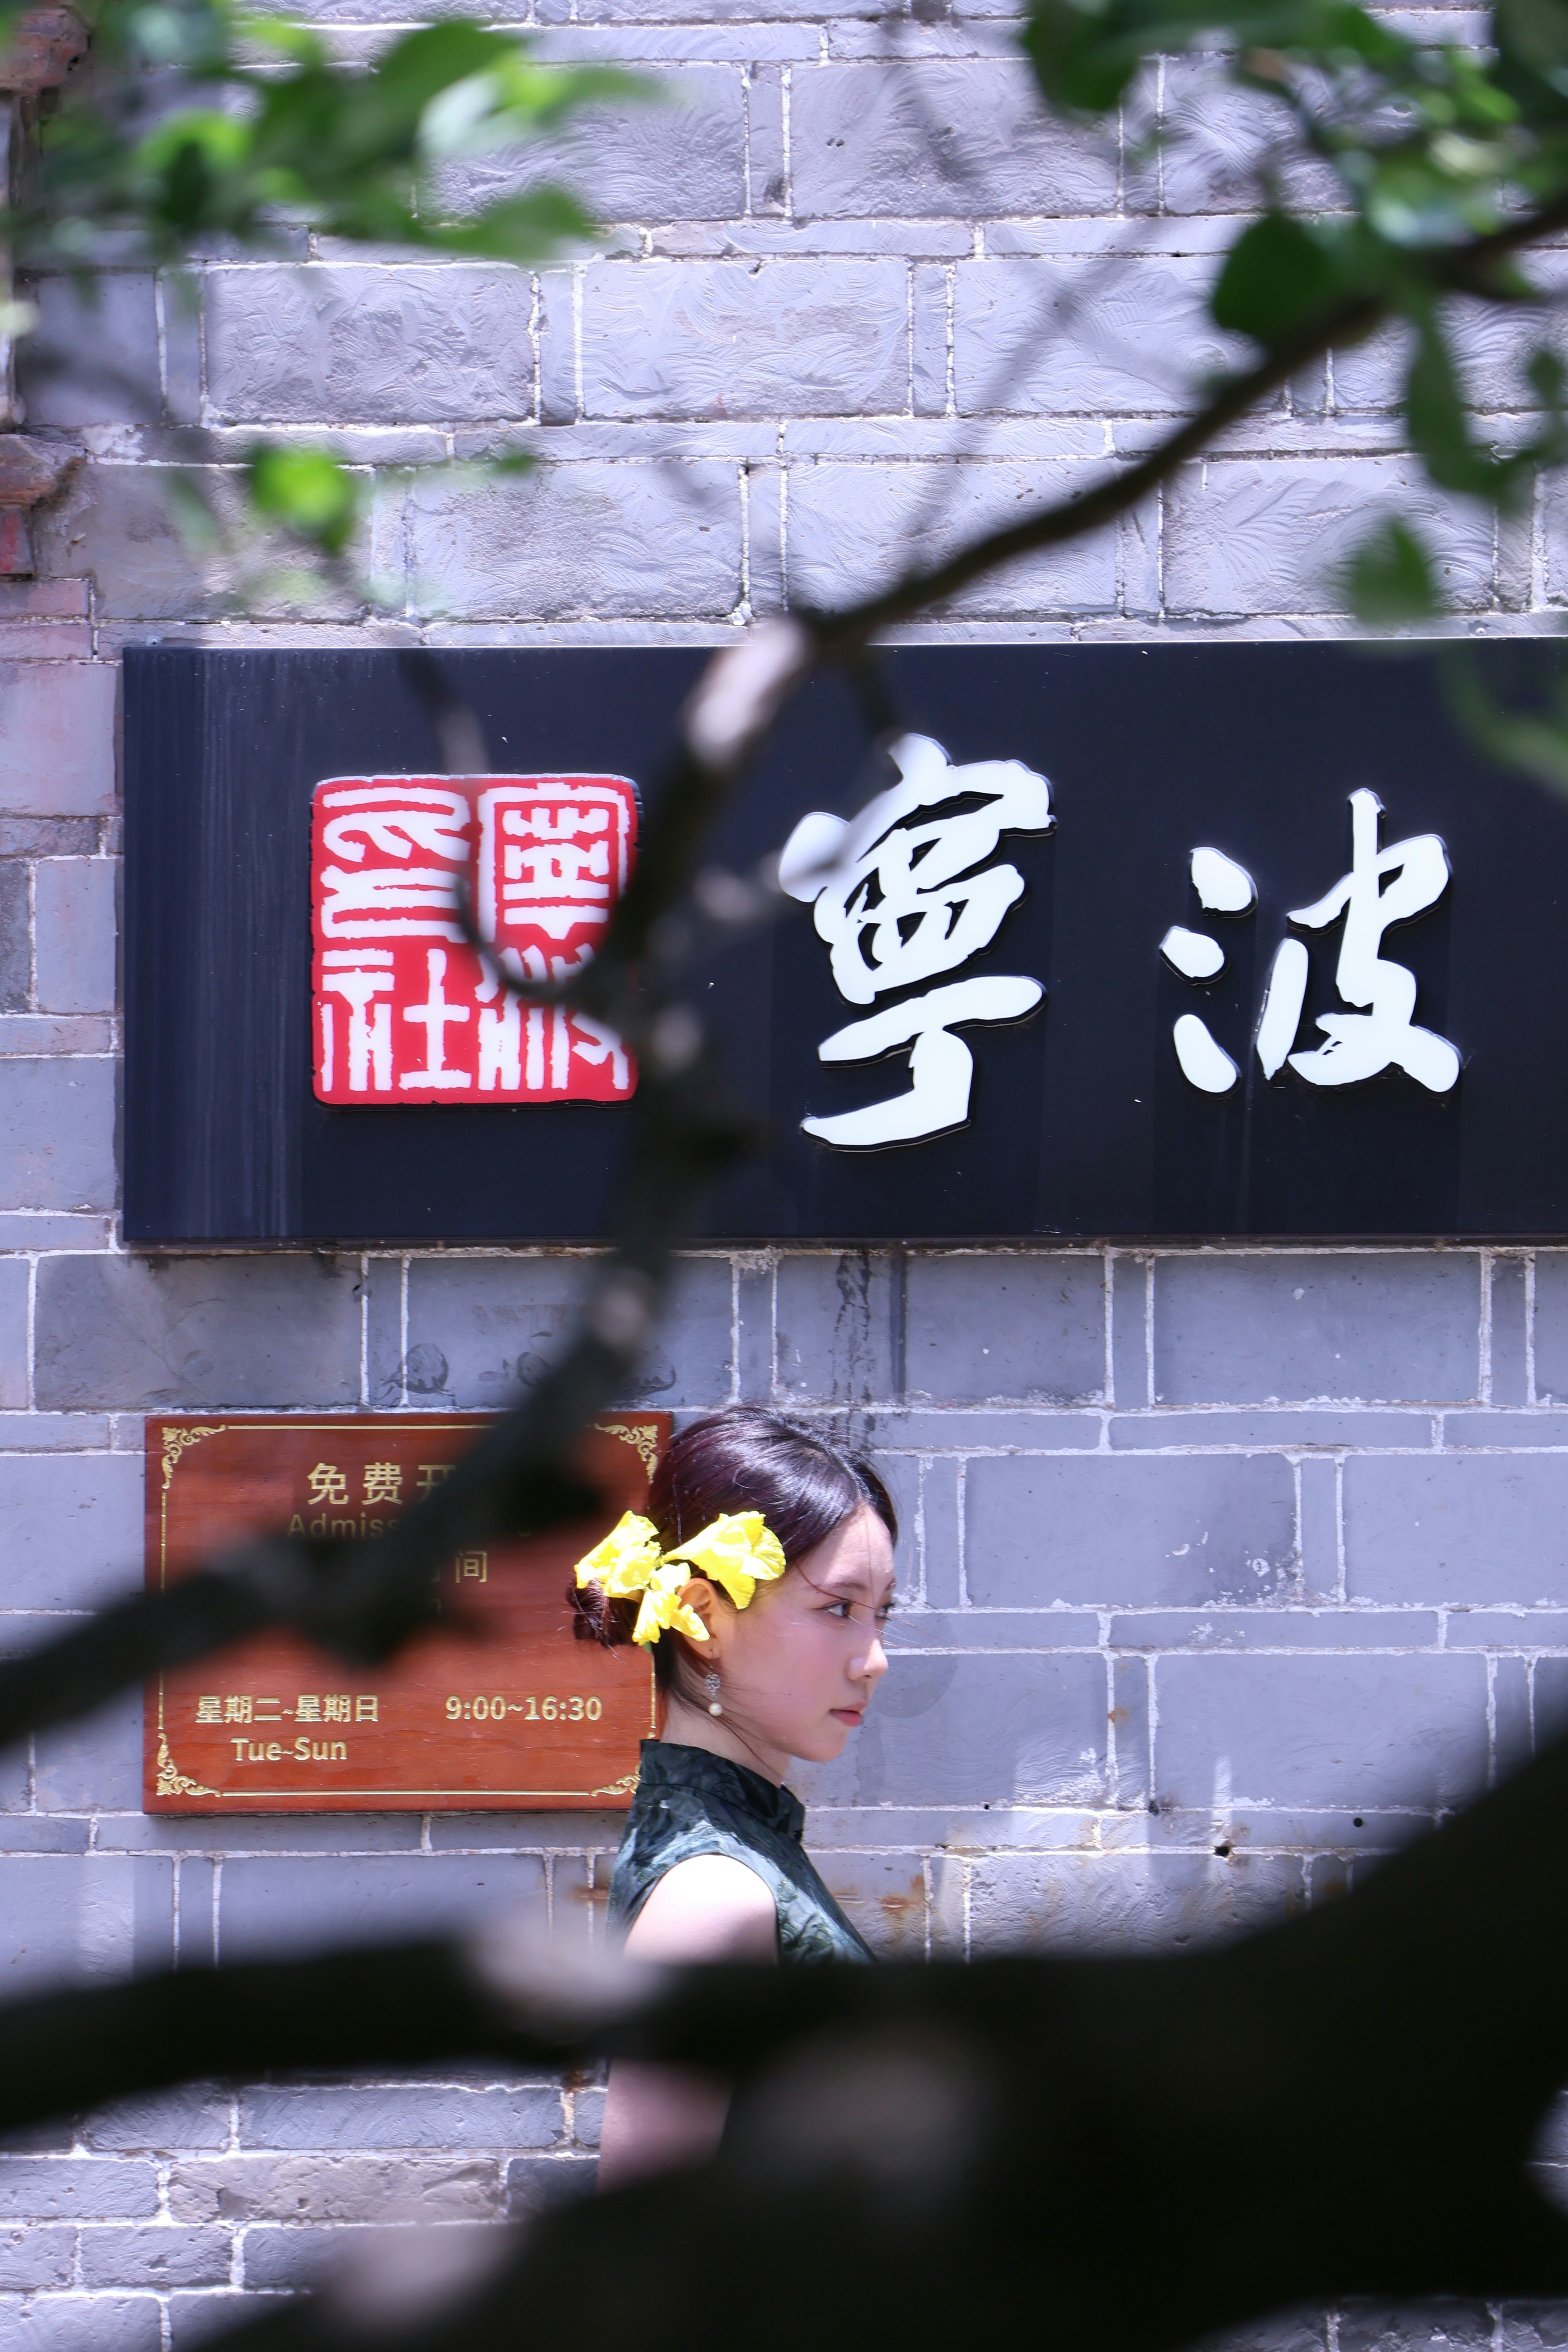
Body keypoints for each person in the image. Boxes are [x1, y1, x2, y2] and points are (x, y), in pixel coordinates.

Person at [568, 1406, 898, 2189]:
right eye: (839, 1609)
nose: (874, 1658)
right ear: (701, 1618)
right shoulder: (715, 1893)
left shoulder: (744, 1850)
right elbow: (645, 2247)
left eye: (883, 1613)